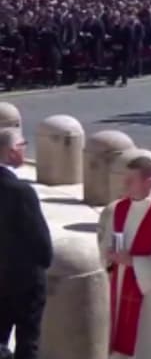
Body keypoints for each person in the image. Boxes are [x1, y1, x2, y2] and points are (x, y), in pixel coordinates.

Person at [99, 155, 151, 359]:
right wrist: (109, 258)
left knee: (149, 345)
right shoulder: (119, 209)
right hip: (120, 288)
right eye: (125, 178)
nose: (125, 184)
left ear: (150, 181)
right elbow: (105, 245)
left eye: (131, 180)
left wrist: (133, 262)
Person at [0, 128, 52, 359]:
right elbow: (41, 244)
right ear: (11, 152)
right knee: (27, 342)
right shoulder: (21, 192)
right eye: (22, 145)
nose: (25, 149)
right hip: (23, 281)